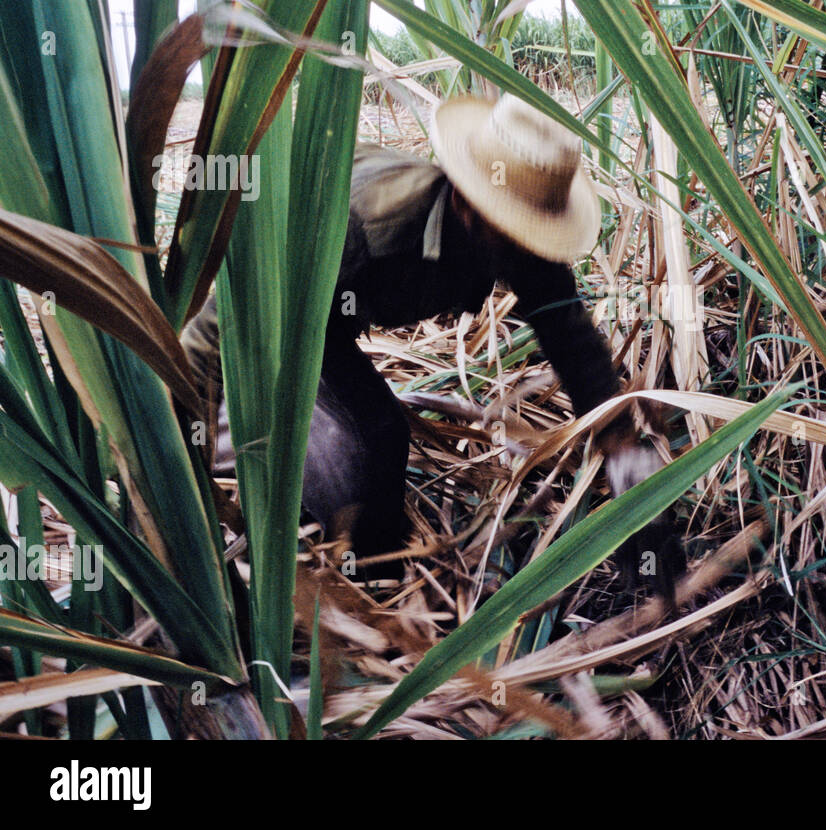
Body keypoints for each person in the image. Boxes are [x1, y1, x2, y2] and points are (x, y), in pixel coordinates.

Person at [183, 93, 681, 591]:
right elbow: (218, 329)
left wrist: (626, 461)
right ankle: (374, 585)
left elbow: (571, 340)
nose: (527, 254)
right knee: (373, 440)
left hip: (339, 292)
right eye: (512, 232)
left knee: (373, 440)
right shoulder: (358, 228)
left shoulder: (516, 242)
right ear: (466, 203)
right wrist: (181, 455)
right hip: (300, 304)